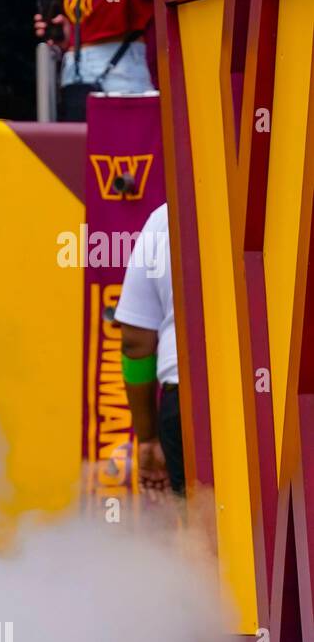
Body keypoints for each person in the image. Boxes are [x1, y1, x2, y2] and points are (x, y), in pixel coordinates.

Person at [33, 0, 166, 119]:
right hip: (75, 73)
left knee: (122, 142)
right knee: (78, 143)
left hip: (119, 70)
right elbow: (106, 11)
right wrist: (71, 35)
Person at [114, 203, 182, 498]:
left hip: (184, 398)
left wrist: (149, 437)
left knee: (207, 535)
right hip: (284, 389)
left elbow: (135, 341)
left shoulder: (165, 218)